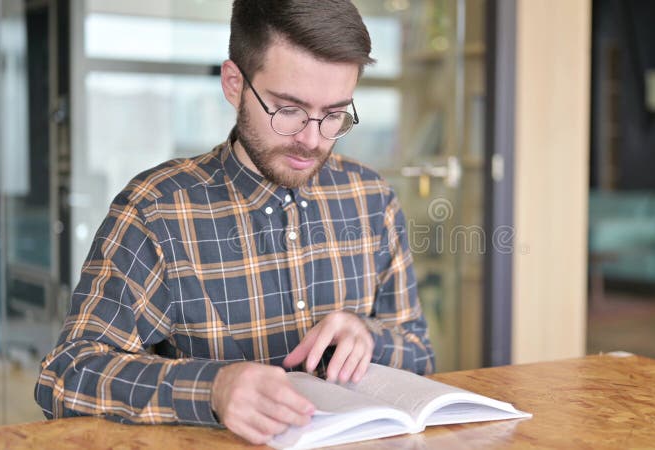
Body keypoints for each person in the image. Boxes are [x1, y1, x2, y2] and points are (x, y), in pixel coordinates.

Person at [34, 0, 434, 444]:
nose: (312, 138)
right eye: (288, 109)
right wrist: (212, 389)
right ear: (233, 83)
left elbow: (419, 351)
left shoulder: (371, 200)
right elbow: (66, 374)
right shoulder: (158, 210)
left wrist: (368, 338)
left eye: (335, 113)